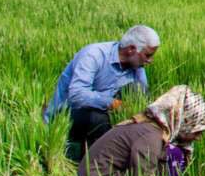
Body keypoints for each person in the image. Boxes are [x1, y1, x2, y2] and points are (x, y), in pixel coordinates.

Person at [79, 85, 205, 176]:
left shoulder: (151, 130)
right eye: (196, 132)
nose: (197, 138)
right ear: (184, 122)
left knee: (172, 155)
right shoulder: (151, 137)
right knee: (159, 171)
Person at [43, 26, 160, 160]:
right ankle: (93, 163)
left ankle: (123, 155)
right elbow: (77, 95)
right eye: (148, 55)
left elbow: (143, 99)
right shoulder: (94, 55)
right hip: (68, 115)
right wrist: (112, 103)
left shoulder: (137, 66)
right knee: (99, 118)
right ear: (131, 49)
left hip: (101, 113)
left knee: (138, 90)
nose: (150, 60)